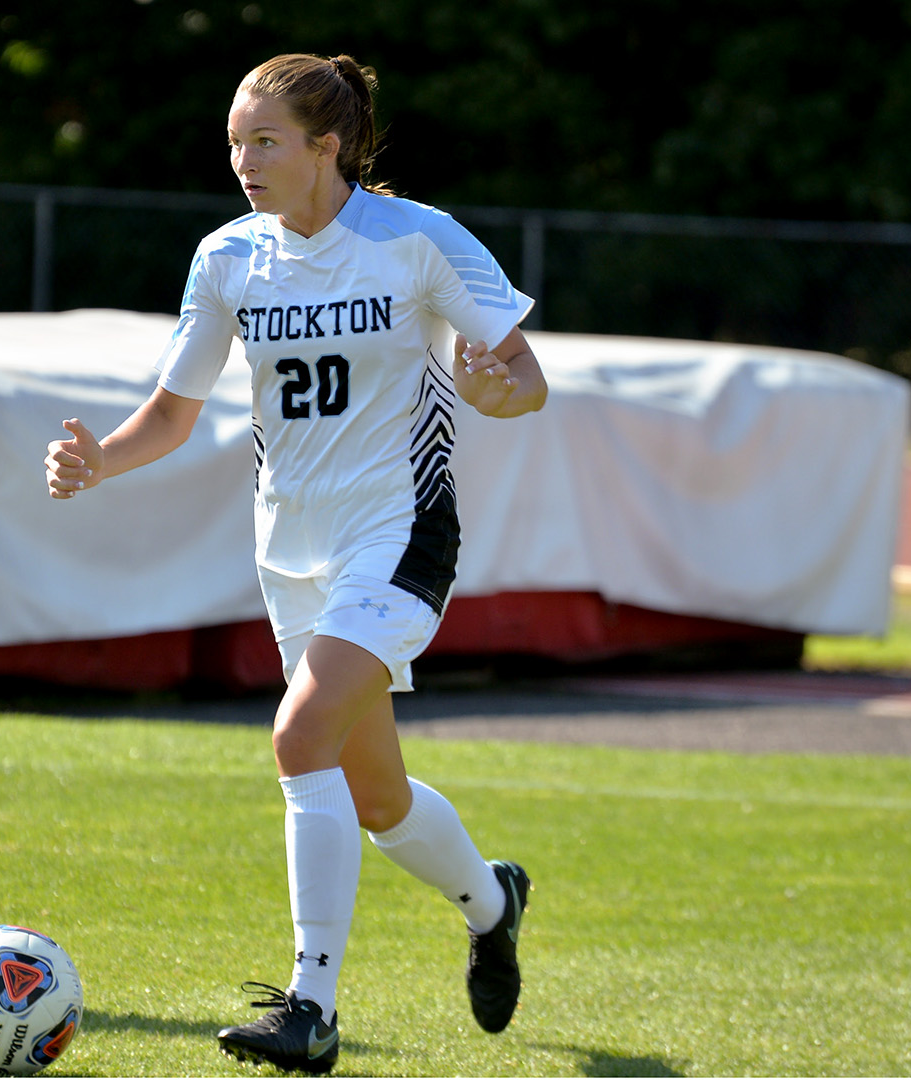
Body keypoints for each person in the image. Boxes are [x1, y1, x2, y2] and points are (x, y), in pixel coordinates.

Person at [44, 53, 546, 1073]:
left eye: (265, 140)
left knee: (298, 733)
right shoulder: (227, 258)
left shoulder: (416, 240)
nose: (244, 160)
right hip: (292, 554)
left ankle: (310, 1006)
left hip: (402, 537)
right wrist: (102, 460)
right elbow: (174, 415)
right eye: (235, 141)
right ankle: (494, 904)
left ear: (330, 148)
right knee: (376, 800)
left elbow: (525, 379)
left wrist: (500, 393)